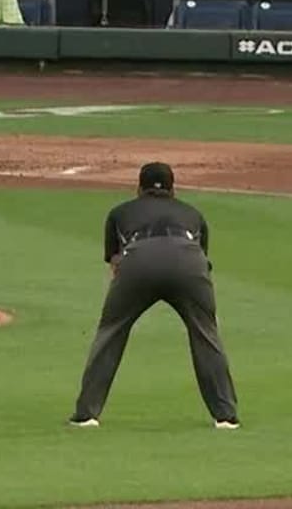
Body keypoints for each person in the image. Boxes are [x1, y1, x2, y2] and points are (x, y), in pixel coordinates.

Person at [70, 162, 241, 430]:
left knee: (110, 333)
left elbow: (115, 264)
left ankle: (86, 415)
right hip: (189, 264)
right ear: (173, 190)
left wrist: (118, 306)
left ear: (139, 188)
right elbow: (202, 261)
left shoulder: (119, 212)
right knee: (206, 334)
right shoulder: (193, 213)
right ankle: (226, 416)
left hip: (138, 261)